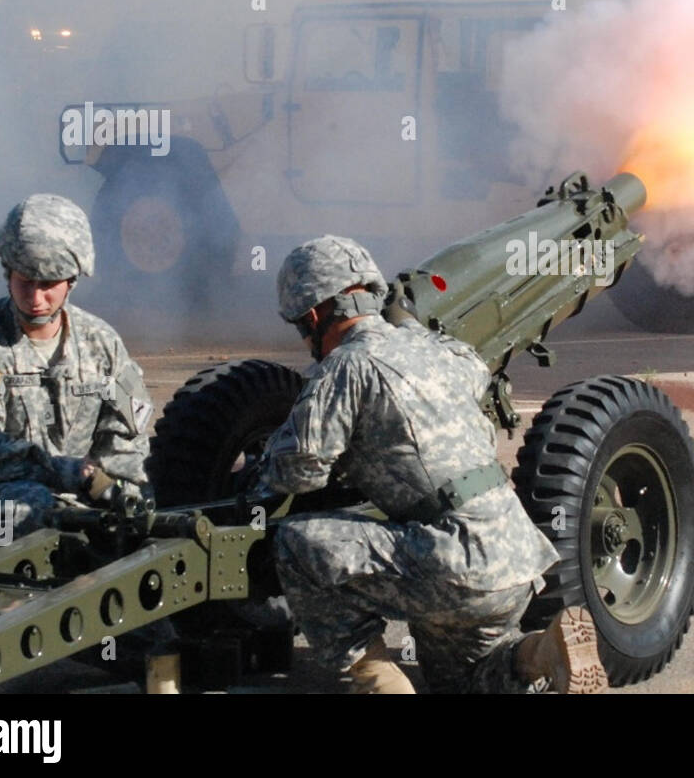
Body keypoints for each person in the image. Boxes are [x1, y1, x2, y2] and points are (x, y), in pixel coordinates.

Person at [255, 235, 608, 693]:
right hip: (513, 558)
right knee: (467, 681)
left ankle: (378, 683)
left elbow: (297, 471)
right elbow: (475, 372)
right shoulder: (444, 351)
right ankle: (539, 652)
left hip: (452, 561)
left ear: (315, 316)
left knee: (298, 547)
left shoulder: (345, 367)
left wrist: (268, 461)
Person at [0, 194, 154, 560]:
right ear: (8, 273)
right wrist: (72, 474)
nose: (36, 297)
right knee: (33, 507)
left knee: (141, 509)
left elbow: (127, 440)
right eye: (25, 281)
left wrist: (114, 487)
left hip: (78, 494)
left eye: (50, 284)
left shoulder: (101, 343)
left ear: (72, 281)